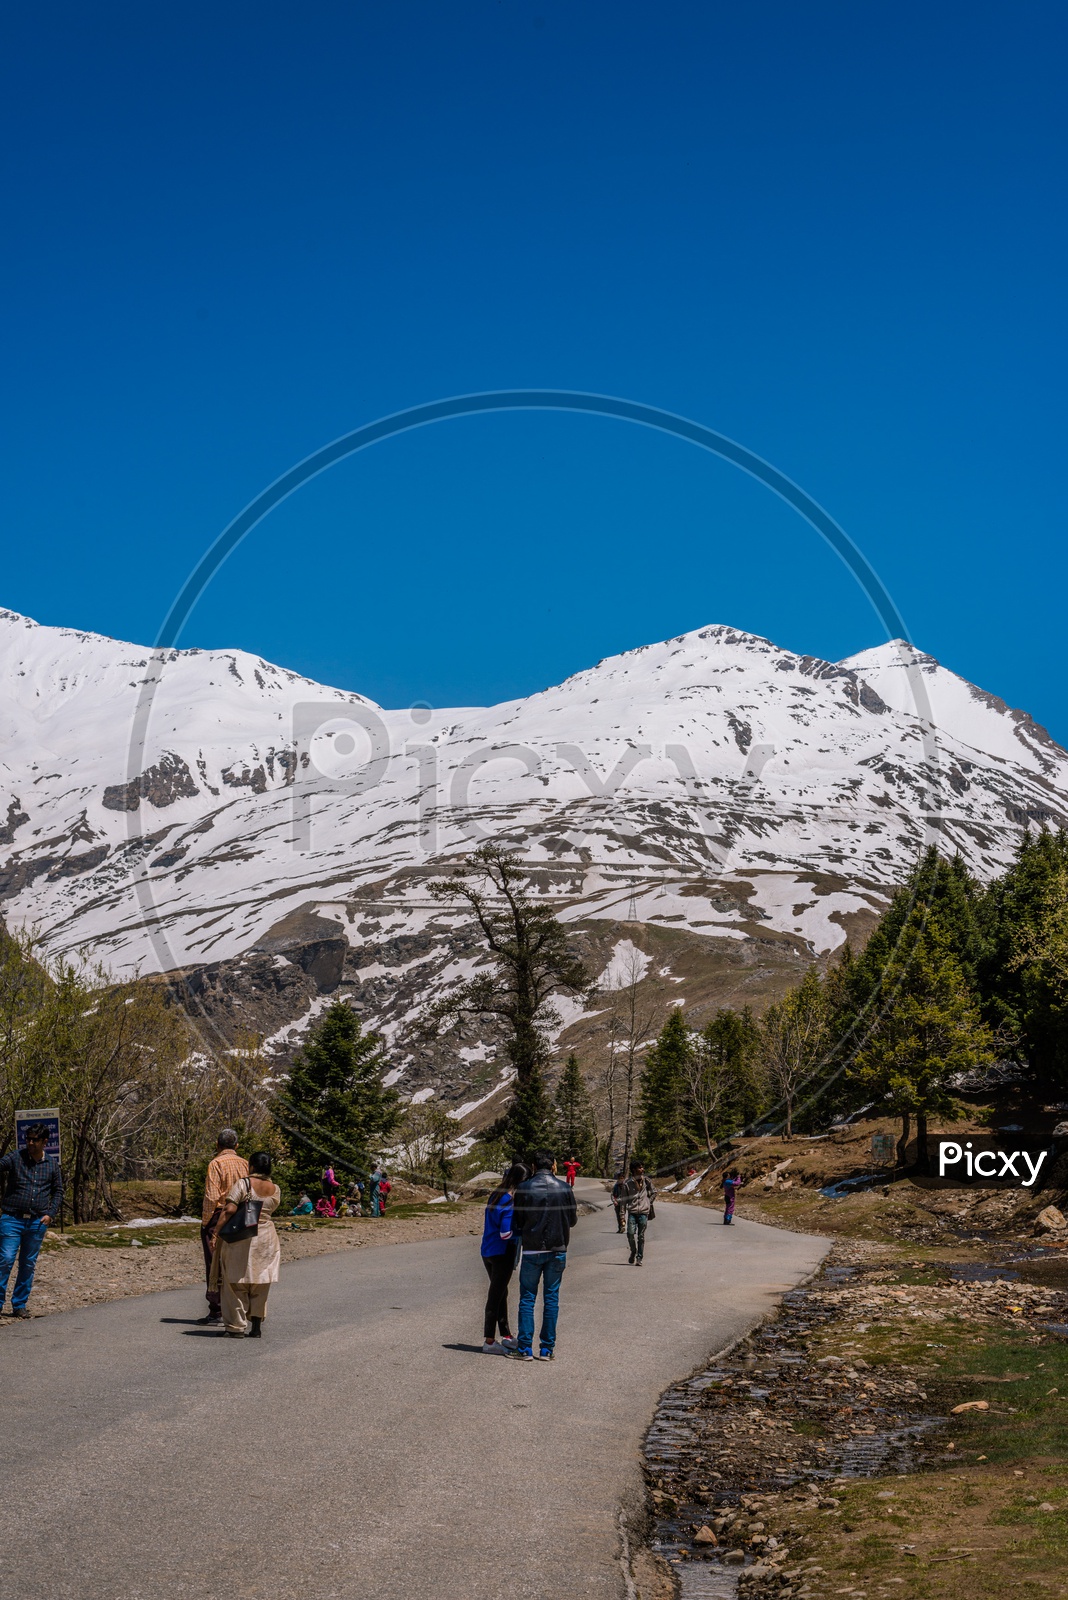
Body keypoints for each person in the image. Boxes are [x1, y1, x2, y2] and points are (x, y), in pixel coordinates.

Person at [510, 1150, 578, 1362]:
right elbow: (573, 1220)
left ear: (533, 1165)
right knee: (551, 1298)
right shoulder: (565, 1188)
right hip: (557, 1249)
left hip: (531, 1249)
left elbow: (517, 1220)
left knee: (527, 1298)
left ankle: (524, 1349)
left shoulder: (523, 1188)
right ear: (554, 1165)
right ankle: (547, 1349)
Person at [208, 1150, 281, 1338]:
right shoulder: (275, 1188)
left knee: (235, 1281)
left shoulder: (244, 1183)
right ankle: (256, 1326)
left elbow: (230, 1208)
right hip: (267, 1237)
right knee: (260, 1282)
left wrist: (216, 1232)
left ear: (252, 1166)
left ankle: (236, 1326)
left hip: (243, 1236)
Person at [0, 1122, 63, 1319]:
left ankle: (19, 1305)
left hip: (37, 1222)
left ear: (45, 1141)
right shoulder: (15, 1157)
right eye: (28, 1139)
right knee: (6, 1259)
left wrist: (50, 1213)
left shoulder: (51, 1164)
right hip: (12, 1218)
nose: (30, 1142)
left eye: (35, 1139)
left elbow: (58, 1190)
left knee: (27, 1264)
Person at [199, 1129, 248, 1324]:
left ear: (217, 1145)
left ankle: (216, 1310)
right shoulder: (245, 1164)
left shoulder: (216, 1163)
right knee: (237, 1262)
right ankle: (238, 1307)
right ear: (236, 1146)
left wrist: (206, 1222)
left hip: (219, 1213)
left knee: (214, 1263)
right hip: (241, 1214)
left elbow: (211, 1196)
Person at [480, 1163, 526, 1354]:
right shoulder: (508, 1201)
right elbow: (505, 1233)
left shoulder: (495, 1195)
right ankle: (489, 1340)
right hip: (502, 1252)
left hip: (487, 1251)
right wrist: (521, 1231)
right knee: (495, 1296)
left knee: (501, 1293)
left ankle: (506, 1334)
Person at [621, 1161, 656, 1265]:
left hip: (643, 1213)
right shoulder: (627, 1184)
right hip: (632, 1212)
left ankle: (639, 1258)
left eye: (642, 1167)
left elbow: (654, 1192)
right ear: (634, 1170)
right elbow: (623, 1201)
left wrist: (648, 1202)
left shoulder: (647, 1181)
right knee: (630, 1234)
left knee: (641, 1236)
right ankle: (633, 1251)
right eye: (640, 1168)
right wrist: (622, 1216)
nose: (642, 1169)